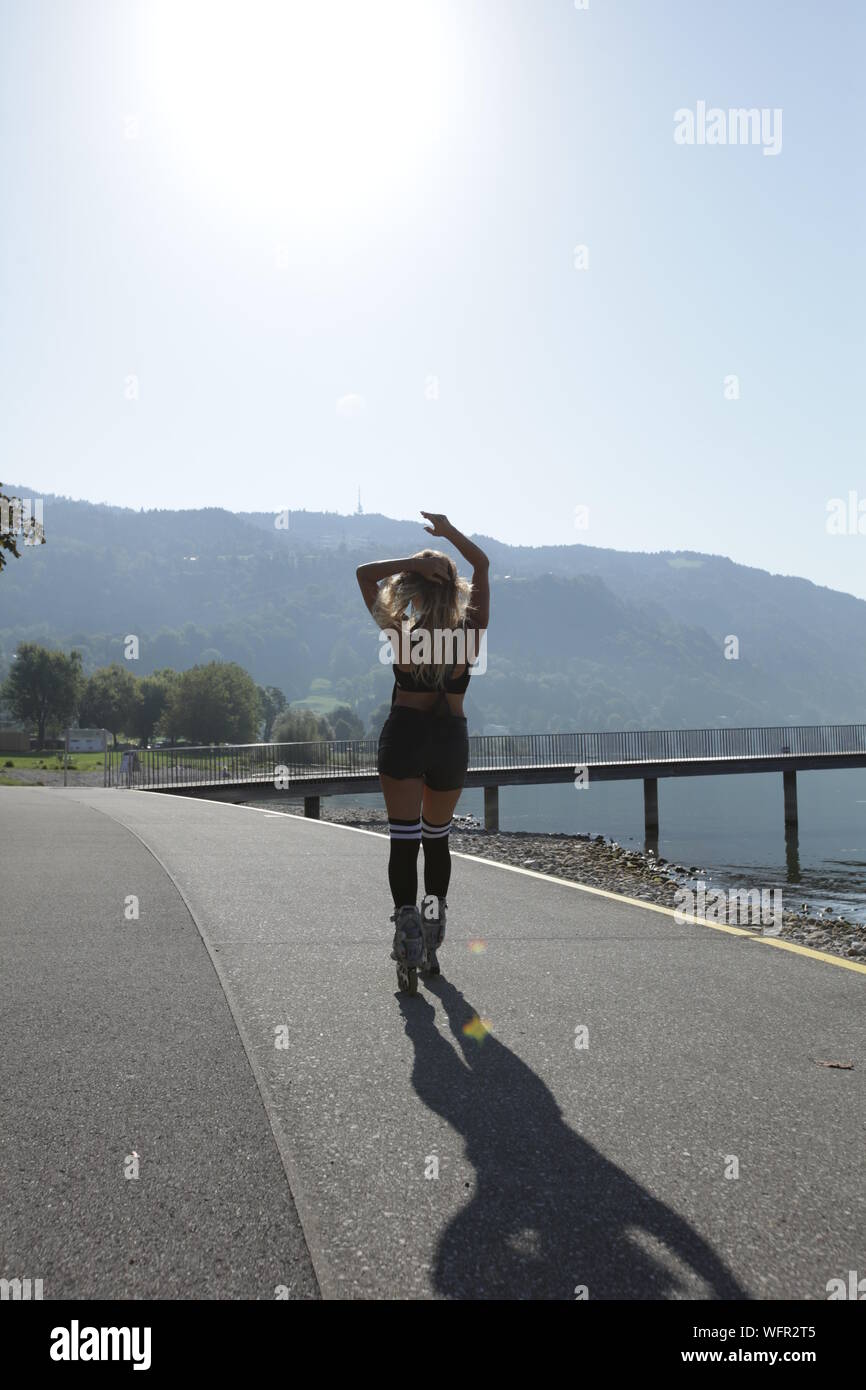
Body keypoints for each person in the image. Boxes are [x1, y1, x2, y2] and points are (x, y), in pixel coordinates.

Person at [356, 512, 490, 986]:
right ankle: (432, 934)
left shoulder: (400, 632)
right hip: (450, 740)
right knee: (436, 842)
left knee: (403, 840)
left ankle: (407, 933)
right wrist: (450, 534)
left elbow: (364, 575)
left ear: (414, 585)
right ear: (454, 587)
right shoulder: (469, 634)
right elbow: (484, 564)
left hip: (405, 735)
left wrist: (412, 562)